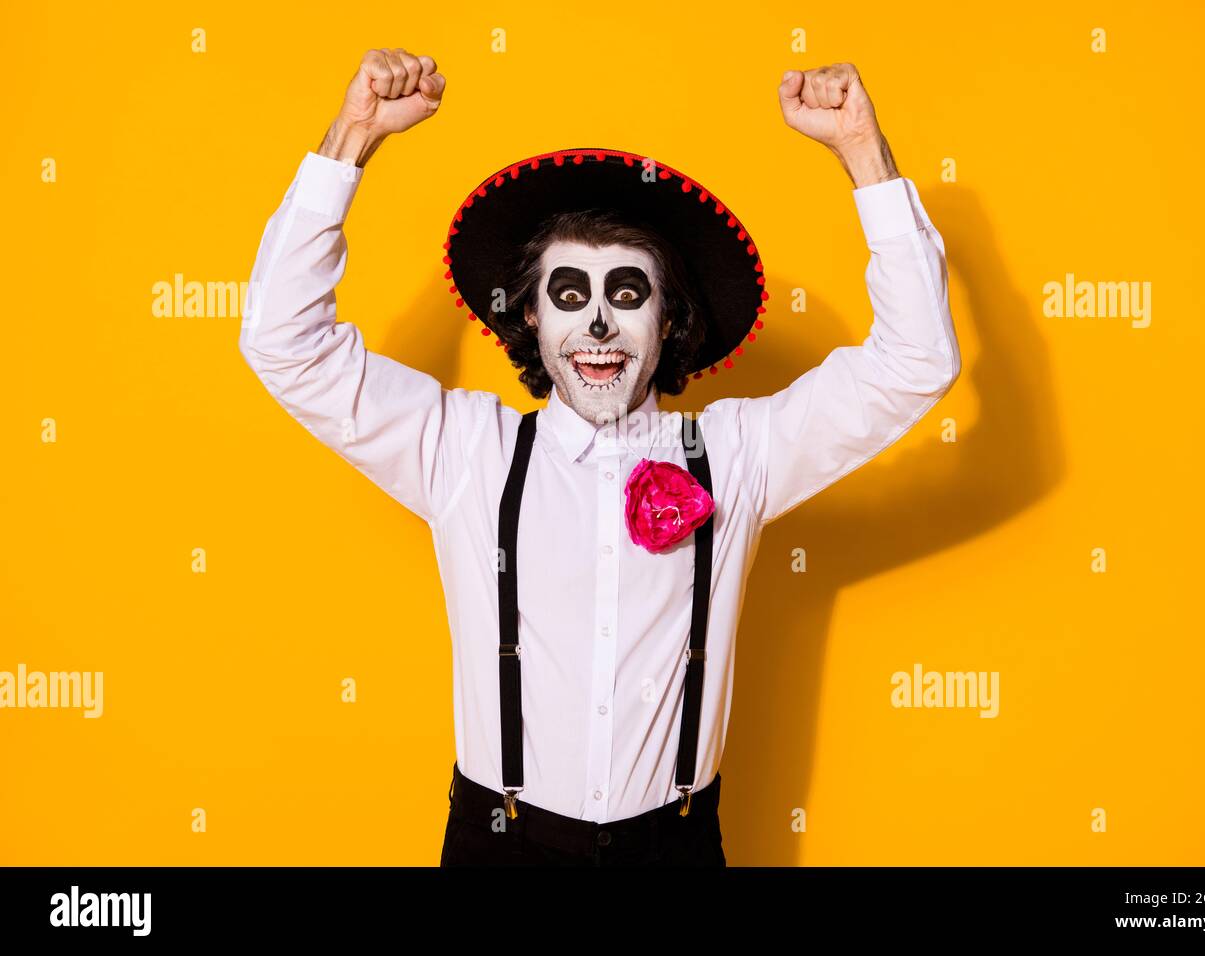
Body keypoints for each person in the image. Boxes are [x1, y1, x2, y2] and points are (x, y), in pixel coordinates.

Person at [239, 48, 960, 866]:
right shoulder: (465, 450)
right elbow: (282, 342)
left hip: (677, 850)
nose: (597, 328)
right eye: (569, 296)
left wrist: (865, 153)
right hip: (499, 845)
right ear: (534, 322)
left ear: (669, 322)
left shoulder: (736, 455)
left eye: (626, 294)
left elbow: (917, 361)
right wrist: (352, 139)